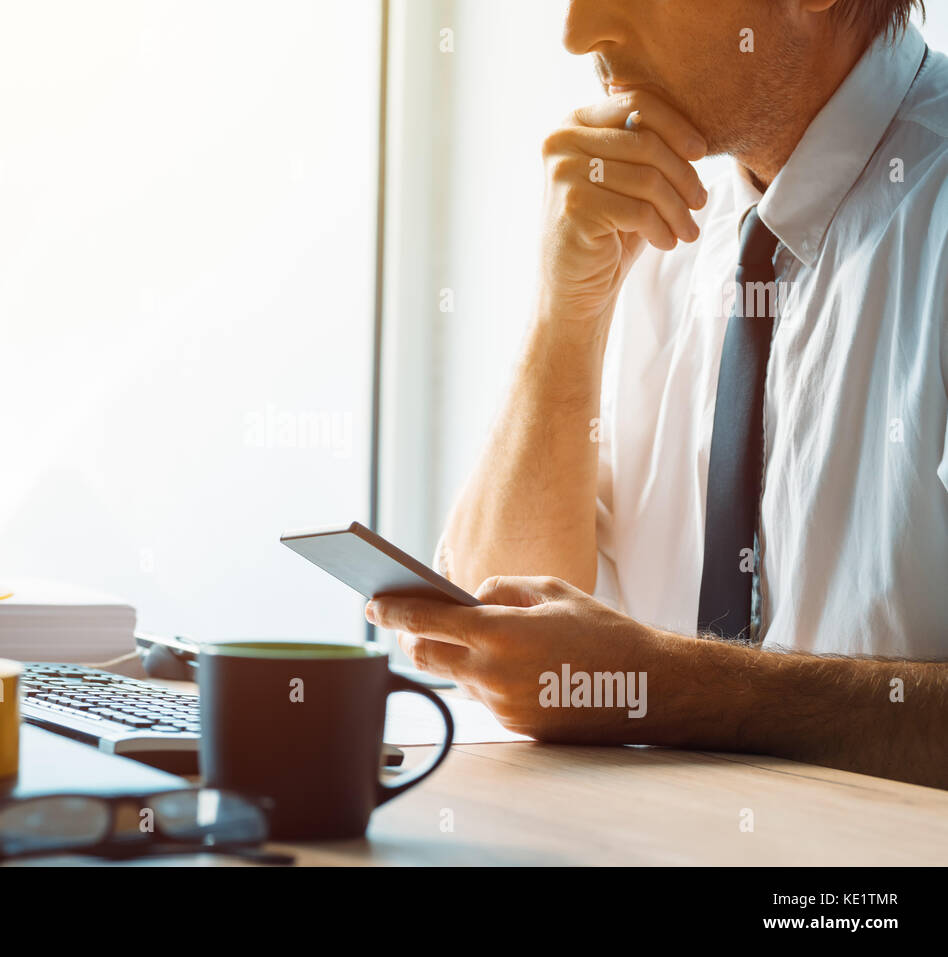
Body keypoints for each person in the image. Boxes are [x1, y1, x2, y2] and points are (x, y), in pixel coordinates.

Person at [366, 0, 948, 789]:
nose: (576, 32)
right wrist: (563, 318)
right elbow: (498, 634)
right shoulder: (653, 213)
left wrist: (670, 688)